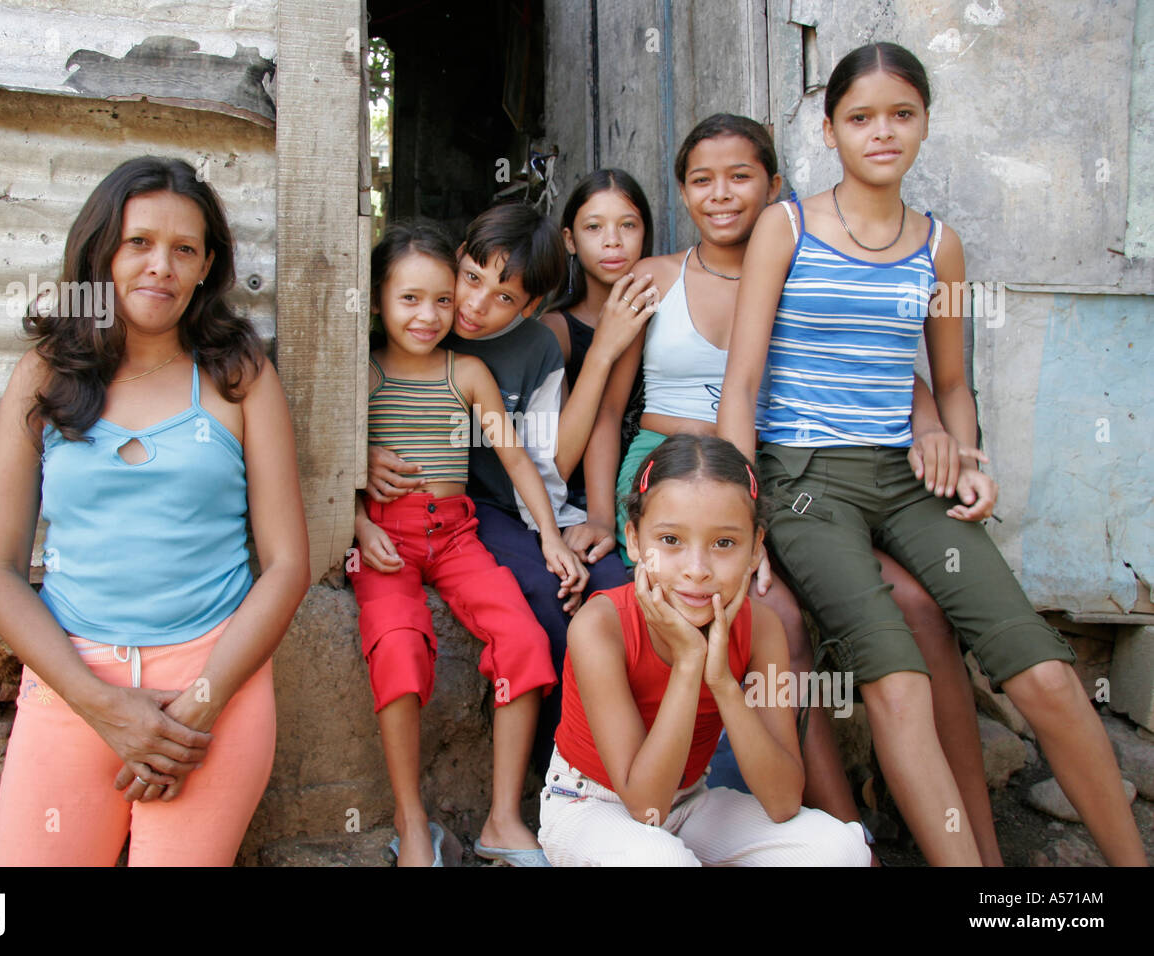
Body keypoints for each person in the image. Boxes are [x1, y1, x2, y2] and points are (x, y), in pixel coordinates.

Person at [717, 43, 1147, 865]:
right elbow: (740, 385)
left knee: (1043, 673)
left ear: (924, 125)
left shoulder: (939, 246)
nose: (882, 132)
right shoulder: (786, 227)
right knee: (898, 679)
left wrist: (967, 456)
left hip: (907, 478)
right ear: (830, 130)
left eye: (902, 115)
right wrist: (743, 520)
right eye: (861, 117)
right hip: (804, 482)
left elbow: (949, 382)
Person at [588, 113, 1001, 859]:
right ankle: (842, 829)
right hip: (673, 475)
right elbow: (608, 412)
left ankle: (955, 836)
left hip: (770, 476)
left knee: (921, 606)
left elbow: (873, 362)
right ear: (682, 193)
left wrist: (932, 422)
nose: (722, 194)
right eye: (702, 180)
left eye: (741, 177)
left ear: (775, 187)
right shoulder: (654, 277)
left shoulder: (804, 266)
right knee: (778, 619)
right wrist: (595, 515)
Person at [0, 156, 310, 866]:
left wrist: (197, 708)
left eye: (184, 249)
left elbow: (287, 565)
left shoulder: (239, 375)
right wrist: (101, 705)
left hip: (212, 691)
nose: (161, 265)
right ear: (102, 250)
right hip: (71, 687)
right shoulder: (45, 375)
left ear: (206, 266)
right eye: (139, 242)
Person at [366, 202, 651, 768]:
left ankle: (634, 755)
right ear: (457, 259)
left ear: (531, 306)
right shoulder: (417, 322)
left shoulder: (534, 347)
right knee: (548, 595)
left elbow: (542, 461)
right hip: (470, 512)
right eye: (471, 278)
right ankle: (561, 763)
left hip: (527, 503)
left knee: (616, 589)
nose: (473, 305)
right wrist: (358, 460)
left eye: (503, 297)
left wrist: (557, 530)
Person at [350, 219, 583, 867]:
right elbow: (327, 462)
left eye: (442, 300)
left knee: (525, 639)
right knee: (398, 643)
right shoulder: (363, 375)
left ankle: (503, 819)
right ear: (377, 300)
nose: (428, 316)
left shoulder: (469, 372)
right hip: (385, 538)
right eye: (409, 299)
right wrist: (360, 524)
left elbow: (515, 460)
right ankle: (412, 820)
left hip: (456, 535)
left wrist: (552, 537)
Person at [538, 433, 871, 866]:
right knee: (660, 861)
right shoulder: (601, 626)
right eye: (671, 540)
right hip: (589, 805)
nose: (697, 570)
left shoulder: (761, 628)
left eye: (724, 543)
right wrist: (689, 662)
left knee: (839, 848)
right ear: (634, 540)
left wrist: (723, 683)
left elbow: (784, 800)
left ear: (756, 549)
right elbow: (646, 806)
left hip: (689, 800)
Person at [540, 167, 655, 523]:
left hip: (654, 487)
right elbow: (556, 464)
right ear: (570, 240)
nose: (612, 241)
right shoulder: (555, 330)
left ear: (645, 232)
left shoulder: (666, 314)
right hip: (575, 502)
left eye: (628, 225)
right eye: (594, 227)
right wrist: (602, 349)